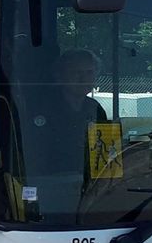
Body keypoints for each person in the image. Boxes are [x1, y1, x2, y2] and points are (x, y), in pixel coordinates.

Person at [28, 48, 109, 178]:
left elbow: (105, 154)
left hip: (89, 184)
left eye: (89, 72)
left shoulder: (95, 108)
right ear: (60, 76)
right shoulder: (43, 109)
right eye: (76, 73)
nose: (83, 79)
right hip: (50, 182)